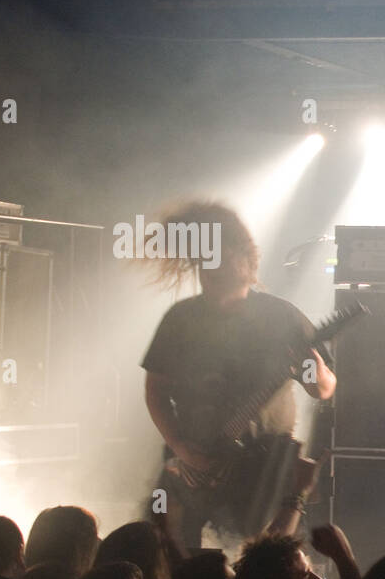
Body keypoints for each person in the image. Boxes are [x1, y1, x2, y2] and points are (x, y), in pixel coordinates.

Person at [140, 200, 336, 549]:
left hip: (262, 465)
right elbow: (155, 391)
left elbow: (323, 388)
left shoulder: (281, 318)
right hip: (194, 459)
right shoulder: (181, 319)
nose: (211, 275)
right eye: (206, 266)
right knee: (168, 554)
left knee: (259, 559)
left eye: (222, 264)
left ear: (246, 262)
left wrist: (314, 366)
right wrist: (181, 448)